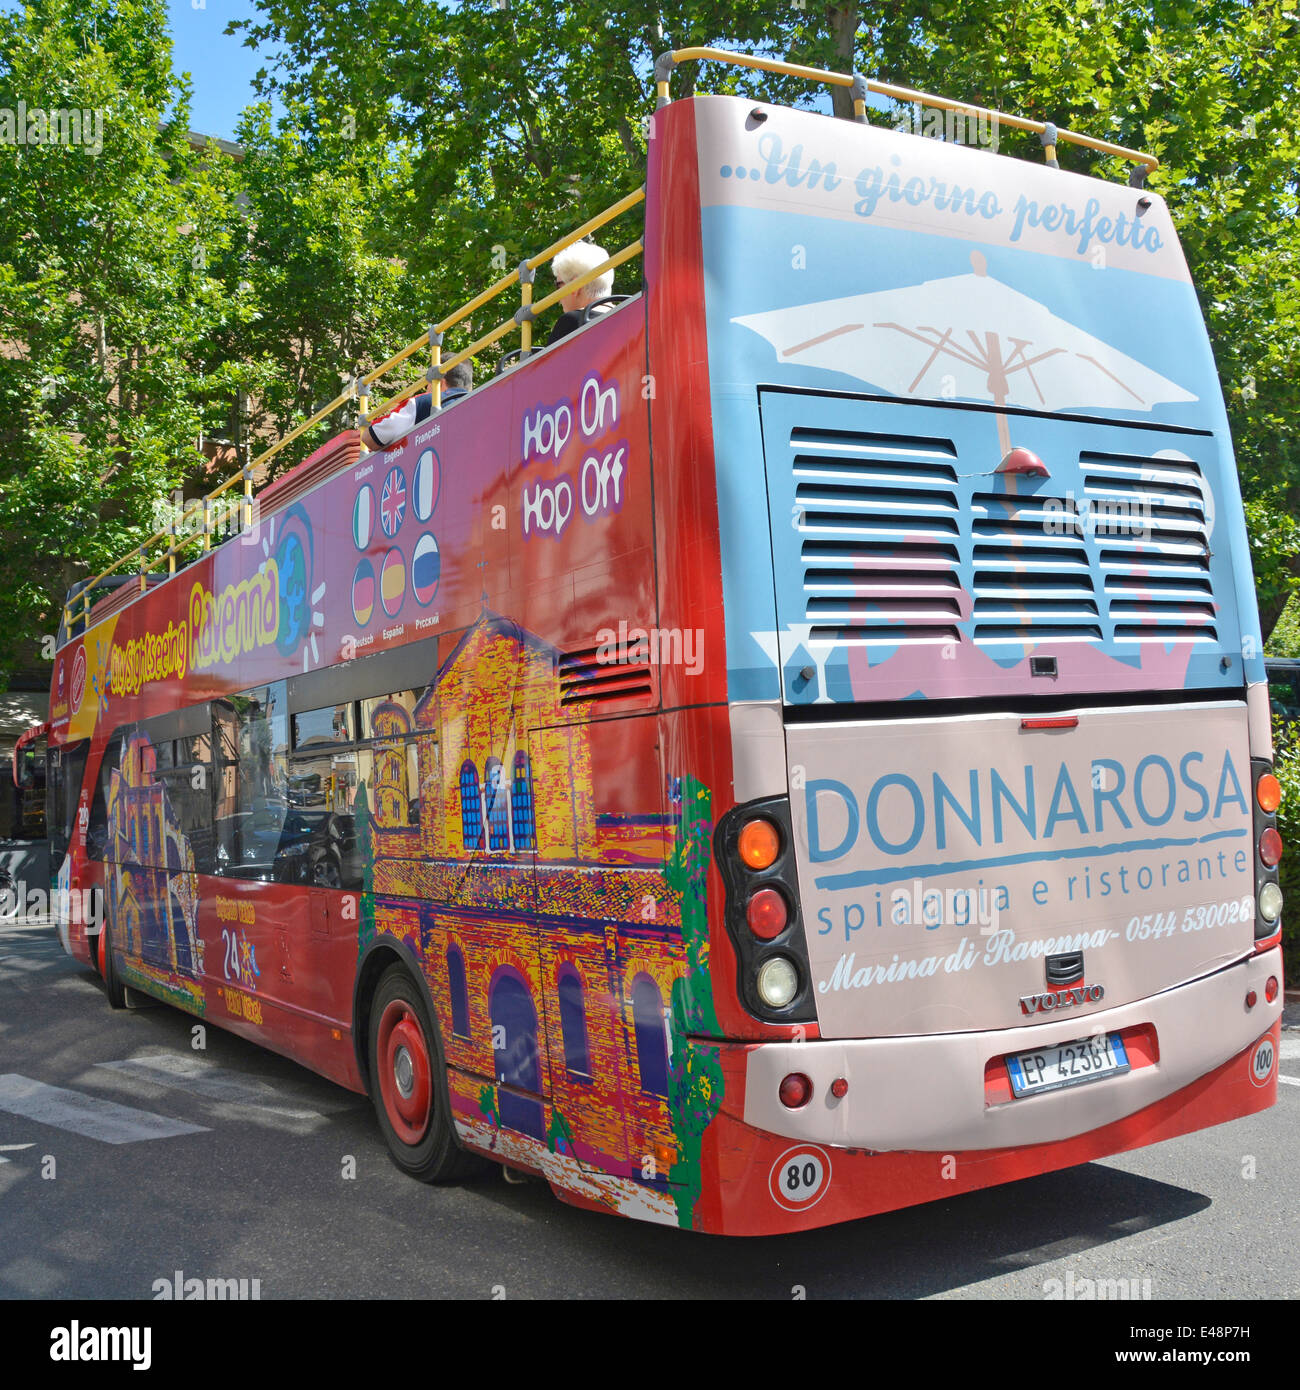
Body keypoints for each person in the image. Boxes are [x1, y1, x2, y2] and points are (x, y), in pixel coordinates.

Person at [363, 358, 472, 452]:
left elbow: (372, 437)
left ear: (439, 383)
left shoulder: (424, 402)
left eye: (428, 383)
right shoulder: (479, 404)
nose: (426, 388)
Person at [547, 239, 615, 344]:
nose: (558, 297)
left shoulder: (572, 322)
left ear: (574, 286)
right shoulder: (630, 316)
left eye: (558, 286)